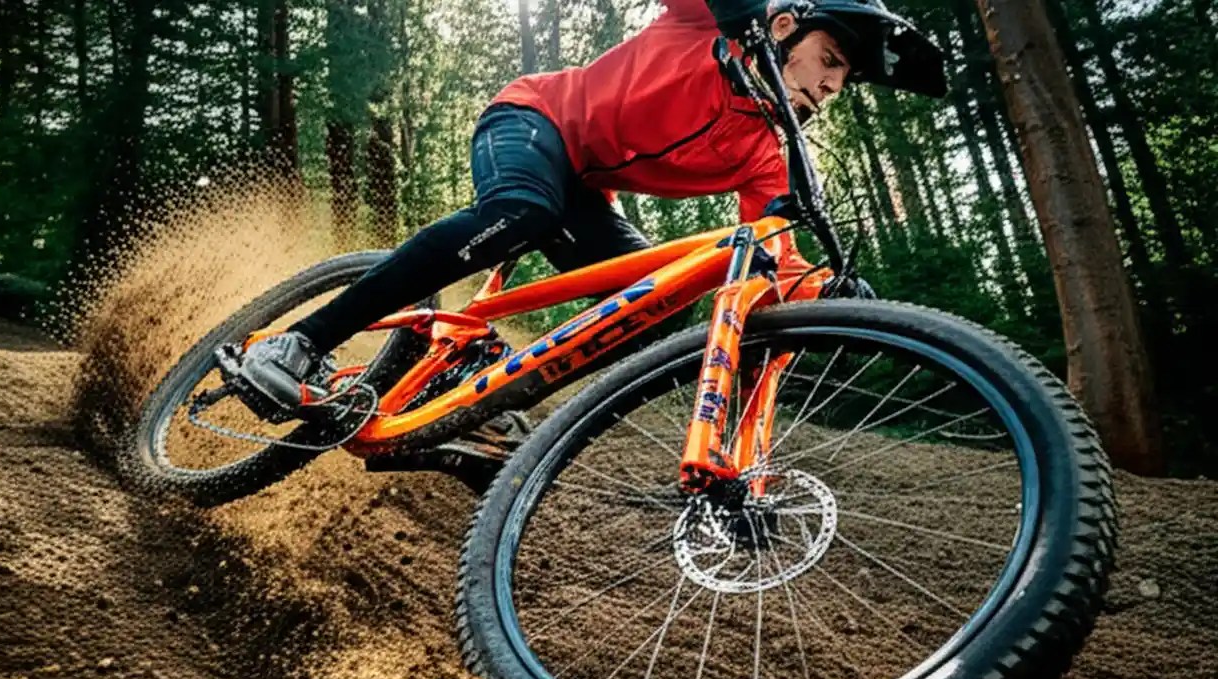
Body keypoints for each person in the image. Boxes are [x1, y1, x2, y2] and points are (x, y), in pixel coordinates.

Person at [233, 0, 945, 414]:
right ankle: (299, 342)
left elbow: (774, 256)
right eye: (828, 60)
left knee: (651, 304)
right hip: (535, 119)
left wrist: (826, 295)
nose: (830, 88)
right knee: (523, 210)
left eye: (844, 80)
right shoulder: (710, 26)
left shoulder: (766, 151)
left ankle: (474, 406)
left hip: (584, 189)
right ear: (786, 27)